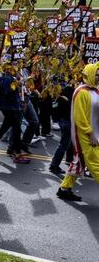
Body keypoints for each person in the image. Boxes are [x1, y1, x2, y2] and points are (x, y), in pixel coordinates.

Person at [58, 63, 99, 201]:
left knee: (79, 161)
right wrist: (90, 133)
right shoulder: (81, 92)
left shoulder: (95, 90)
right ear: (90, 74)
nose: (98, 77)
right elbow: (79, 117)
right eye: (96, 74)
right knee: (96, 164)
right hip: (85, 135)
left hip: (95, 133)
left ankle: (64, 189)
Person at [49, 83, 74, 176]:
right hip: (66, 122)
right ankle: (54, 165)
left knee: (69, 142)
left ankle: (69, 159)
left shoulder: (59, 98)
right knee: (64, 144)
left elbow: (54, 110)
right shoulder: (66, 100)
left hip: (64, 121)